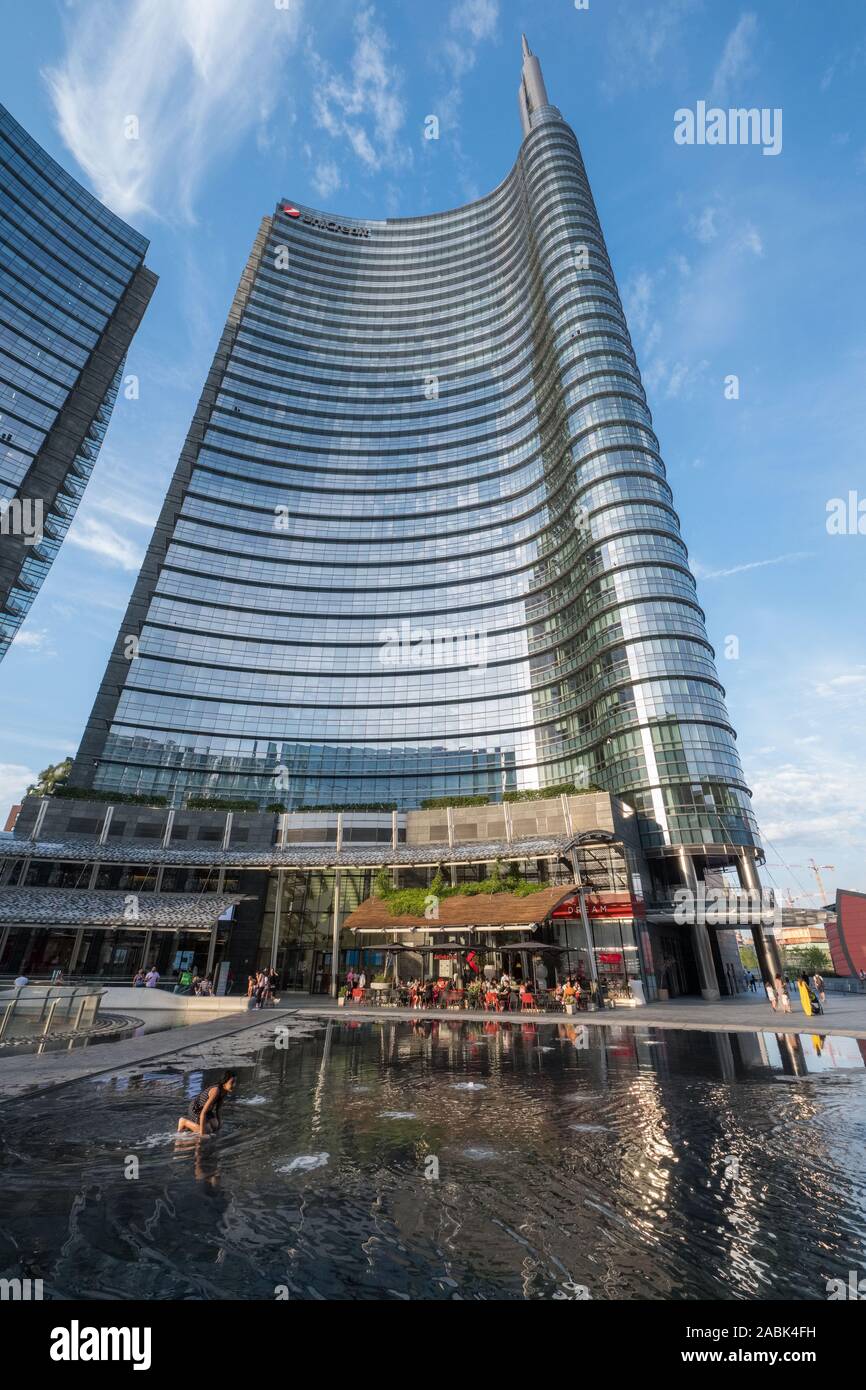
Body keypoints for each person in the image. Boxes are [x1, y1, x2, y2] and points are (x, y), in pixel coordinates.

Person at [177, 1071, 237, 1137]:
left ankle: (194, 1127)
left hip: (207, 1111)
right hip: (196, 1109)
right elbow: (203, 1112)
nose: (234, 1085)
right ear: (224, 1083)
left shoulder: (225, 1091)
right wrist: (202, 1134)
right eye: (232, 1082)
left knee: (215, 1127)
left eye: (235, 1082)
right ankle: (184, 1122)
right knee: (207, 1131)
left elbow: (218, 1110)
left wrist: (219, 1124)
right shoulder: (216, 1091)